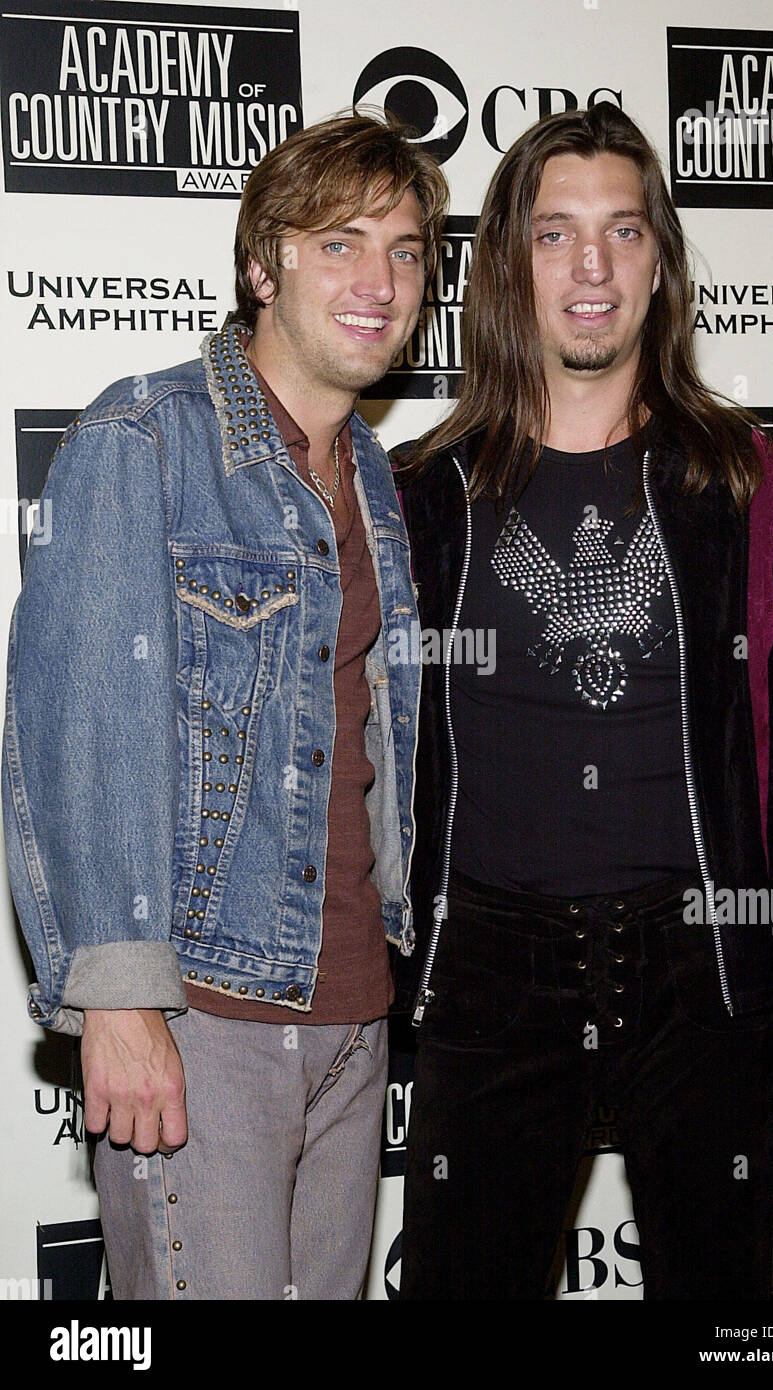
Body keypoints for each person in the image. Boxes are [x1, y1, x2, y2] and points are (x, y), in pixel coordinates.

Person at [392, 101, 773, 1300]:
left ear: (659, 258)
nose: (591, 267)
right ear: (507, 263)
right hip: (489, 969)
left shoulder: (740, 479)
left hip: (705, 967)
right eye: (554, 235)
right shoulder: (418, 496)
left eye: (620, 231)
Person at [2, 112, 447, 1300]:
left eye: (404, 252)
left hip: (356, 1014)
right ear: (263, 263)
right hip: (207, 1017)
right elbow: (76, 733)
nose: (378, 281)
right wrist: (120, 1002)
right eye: (339, 242)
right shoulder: (143, 436)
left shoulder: (375, 480)